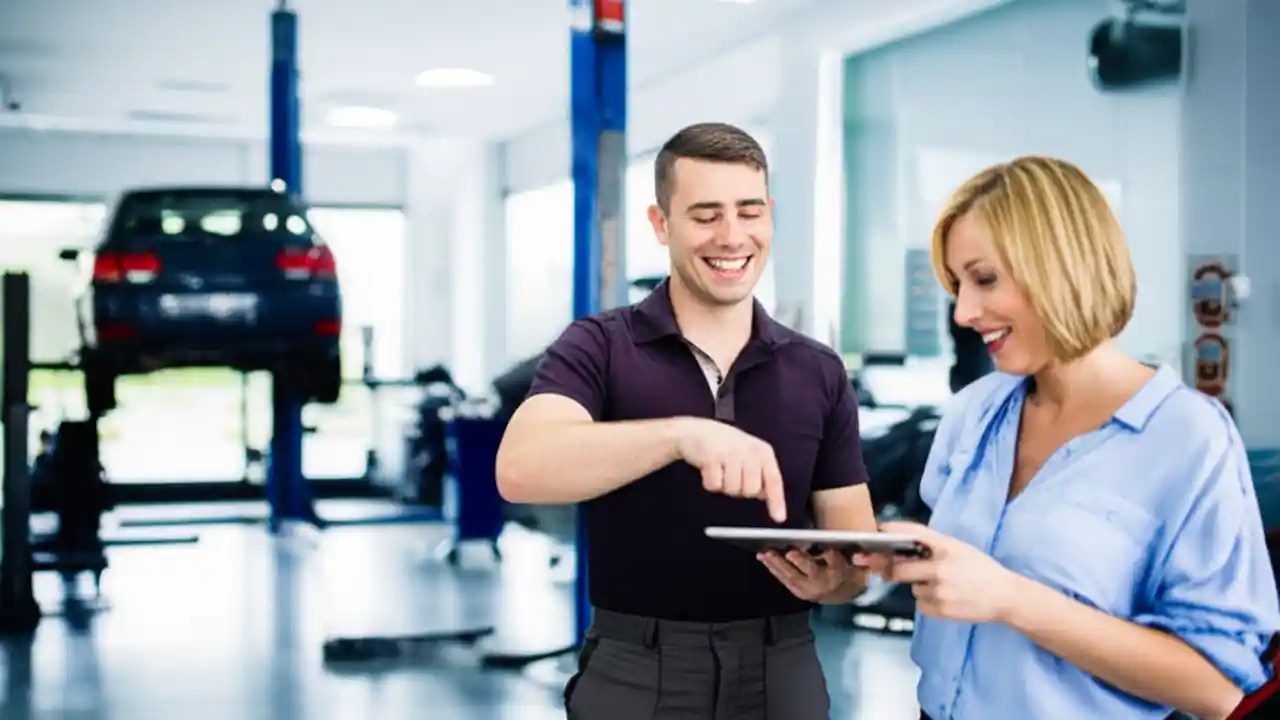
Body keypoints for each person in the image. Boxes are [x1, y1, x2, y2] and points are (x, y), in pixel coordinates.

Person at [854, 155, 1280, 720]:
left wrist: (1011, 599)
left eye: (984, 280)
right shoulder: (975, 412)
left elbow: (1216, 687)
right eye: (957, 285)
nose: (964, 312)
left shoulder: (1188, 438)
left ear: (1061, 267)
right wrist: (875, 562)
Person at [495, 121, 878, 719]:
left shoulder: (819, 371)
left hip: (785, 665)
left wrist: (840, 582)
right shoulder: (598, 347)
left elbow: (855, 544)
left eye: (749, 212)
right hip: (636, 668)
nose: (732, 237)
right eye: (706, 216)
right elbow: (521, 470)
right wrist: (680, 435)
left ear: (770, 214)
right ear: (661, 224)